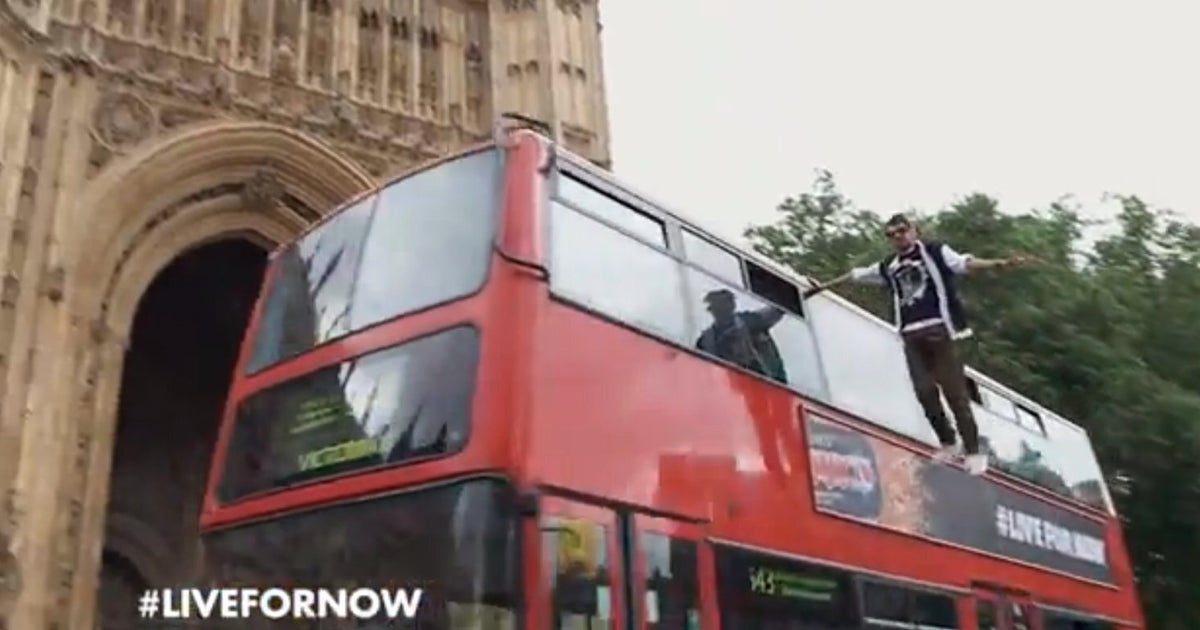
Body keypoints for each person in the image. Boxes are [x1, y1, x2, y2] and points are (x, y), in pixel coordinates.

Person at [806, 213, 1035, 475]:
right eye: (891, 234)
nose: (897, 237)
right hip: (911, 335)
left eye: (902, 231)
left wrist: (1001, 264)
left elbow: (965, 263)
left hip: (941, 331)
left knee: (955, 393)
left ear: (914, 230)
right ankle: (948, 442)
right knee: (924, 392)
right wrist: (822, 287)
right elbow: (856, 274)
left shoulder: (934, 252)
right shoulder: (889, 266)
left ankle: (973, 450)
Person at [695, 289, 787, 384]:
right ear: (711, 310)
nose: (723, 308)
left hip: (767, 380)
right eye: (718, 305)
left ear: (733, 306)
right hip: (731, 385)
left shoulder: (751, 320)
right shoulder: (706, 341)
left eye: (727, 303)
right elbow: (698, 369)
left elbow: (779, 309)